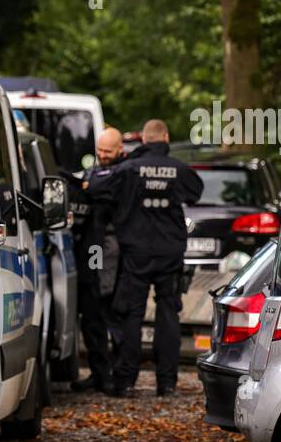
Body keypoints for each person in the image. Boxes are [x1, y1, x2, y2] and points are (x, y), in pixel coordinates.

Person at [86, 119, 203, 397]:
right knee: (168, 313)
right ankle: (167, 383)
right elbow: (196, 192)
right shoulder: (179, 169)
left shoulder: (129, 169)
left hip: (136, 253)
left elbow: (95, 188)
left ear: (142, 140)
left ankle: (125, 381)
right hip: (169, 252)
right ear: (165, 137)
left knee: (131, 315)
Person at [69, 127, 124, 392]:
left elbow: (101, 190)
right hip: (92, 248)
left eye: (107, 152)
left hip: (106, 249)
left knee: (103, 307)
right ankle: (98, 371)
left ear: (119, 150)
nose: (102, 155)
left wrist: (91, 187)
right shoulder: (94, 171)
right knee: (90, 312)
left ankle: (112, 375)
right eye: (100, 150)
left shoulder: (123, 172)